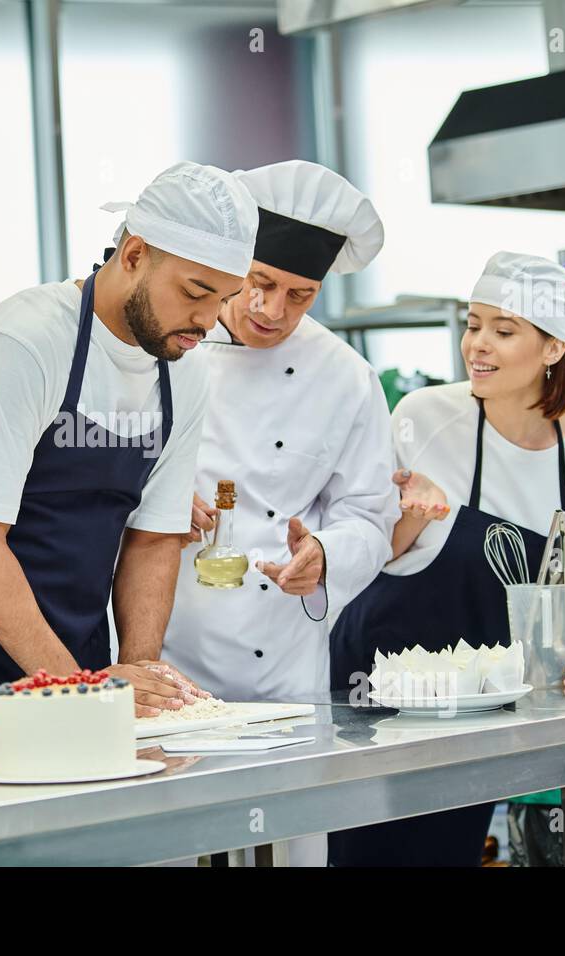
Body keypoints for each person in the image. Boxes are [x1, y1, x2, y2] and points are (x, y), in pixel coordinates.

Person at [0, 162, 259, 734]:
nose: (207, 320)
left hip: (77, 657)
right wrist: (77, 688)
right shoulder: (24, 343)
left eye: (224, 298)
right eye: (195, 292)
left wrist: (139, 672)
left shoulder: (183, 372)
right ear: (133, 255)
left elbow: (153, 538)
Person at [328, 251, 565, 866]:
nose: (478, 346)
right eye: (473, 325)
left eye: (503, 330)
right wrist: (414, 512)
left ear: (553, 349)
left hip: (483, 698)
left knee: (446, 853)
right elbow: (371, 559)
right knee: (356, 853)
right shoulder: (422, 417)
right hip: (378, 681)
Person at [162, 160, 394, 705]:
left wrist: (326, 552)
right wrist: (154, 502)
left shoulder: (345, 376)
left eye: (300, 295)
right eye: (261, 283)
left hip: (283, 661)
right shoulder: (165, 348)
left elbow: (369, 513)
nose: (273, 310)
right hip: (162, 644)